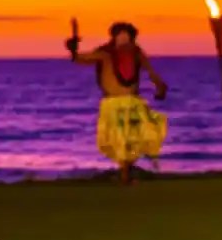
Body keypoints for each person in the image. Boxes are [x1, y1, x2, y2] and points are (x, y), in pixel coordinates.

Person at [66, 22, 168, 185]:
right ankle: (125, 175)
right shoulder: (105, 53)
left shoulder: (137, 53)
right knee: (119, 140)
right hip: (113, 103)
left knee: (133, 140)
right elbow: (80, 59)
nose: (124, 38)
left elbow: (149, 71)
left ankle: (126, 173)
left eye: (127, 35)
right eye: (120, 35)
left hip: (132, 102)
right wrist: (73, 49)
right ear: (114, 37)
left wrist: (159, 85)